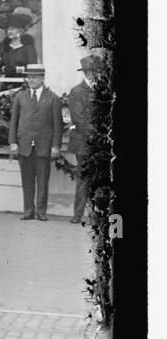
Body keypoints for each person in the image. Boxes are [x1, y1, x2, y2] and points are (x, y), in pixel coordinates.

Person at [9, 63, 64, 221]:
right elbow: (14, 122)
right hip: (24, 145)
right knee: (26, 180)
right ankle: (28, 210)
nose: (30, 80)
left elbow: (57, 125)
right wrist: (13, 142)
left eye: (34, 77)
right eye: (28, 77)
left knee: (42, 180)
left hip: (44, 146)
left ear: (42, 78)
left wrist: (55, 146)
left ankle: (41, 211)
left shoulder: (52, 98)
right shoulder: (20, 96)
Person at [64, 55, 101, 224]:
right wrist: (99, 135)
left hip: (102, 144)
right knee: (84, 179)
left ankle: (98, 215)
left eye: (95, 71)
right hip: (84, 143)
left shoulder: (105, 90)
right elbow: (79, 118)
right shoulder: (76, 91)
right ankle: (77, 215)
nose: (92, 74)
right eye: (89, 71)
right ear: (84, 72)